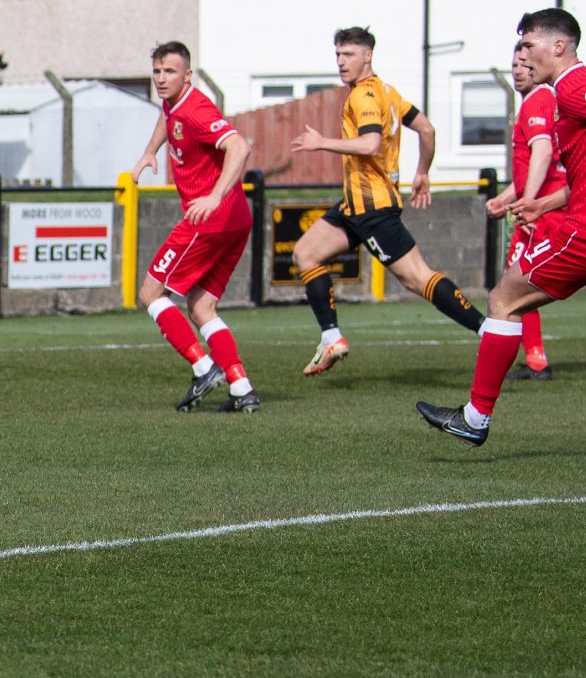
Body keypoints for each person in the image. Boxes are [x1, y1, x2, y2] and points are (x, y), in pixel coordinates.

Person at [418, 8, 586, 446]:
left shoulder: (574, 86)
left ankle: (475, 417)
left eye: (529, 45)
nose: (523, 55)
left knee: (503, 300)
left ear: (557, 46)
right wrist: (540, 202)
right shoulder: (575, 93)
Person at [289, 25, 483, 374]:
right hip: (353, 207)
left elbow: (370, 144)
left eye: (348, 54)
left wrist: (322, 143)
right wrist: (423, 171)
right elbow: (427, 128)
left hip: (373, 209)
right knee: (306, 252)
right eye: (338, 54)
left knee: (417, 278)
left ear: (368, 56)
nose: (341, 62)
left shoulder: (363, 96)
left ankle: (486, 330)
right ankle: (331, 337)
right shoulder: (388, 91)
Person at [128, 42, 259, 413]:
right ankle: (241, 386)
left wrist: (215, 196)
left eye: (170, 72)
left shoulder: (198, 110)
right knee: (202, 307)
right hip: (236, 221)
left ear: (188, 75)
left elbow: (239, 148)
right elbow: (166, 116)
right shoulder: (175, 103)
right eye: (157, 71)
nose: (161, 79)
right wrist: (150, 150)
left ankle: (204, 368)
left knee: (151, 293)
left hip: (210, 218)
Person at [485, 43, 568, 381]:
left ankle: (534, 360)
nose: (518, 69)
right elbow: (530, 167)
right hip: (540, 206)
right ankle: (534, 359)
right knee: (516, 283)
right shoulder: (539, 101)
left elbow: (543, 153)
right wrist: (508, 198)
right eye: (514, 64)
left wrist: (528, 205)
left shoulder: (538, 100)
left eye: (524, 62)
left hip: (546, 211)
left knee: (514, 285)